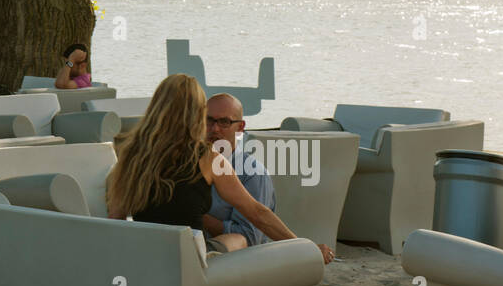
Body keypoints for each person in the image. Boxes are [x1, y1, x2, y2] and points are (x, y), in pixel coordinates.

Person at [106, 74, 334, 264]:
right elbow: (257, 213)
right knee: (240, 240)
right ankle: (214, 260)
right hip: (188, 259)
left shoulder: (131, 155)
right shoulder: (206, 157)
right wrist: (304, 247)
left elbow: (115, 218)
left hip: (146, 253)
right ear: (196, 114)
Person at [201, 93, 276, 248]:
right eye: (208, 120)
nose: (214, 129)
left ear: (240, 128)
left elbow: (249, 236)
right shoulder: (188, 163)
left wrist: (197, 217)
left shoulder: (253, 174)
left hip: (234, 260)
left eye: (224, 122)